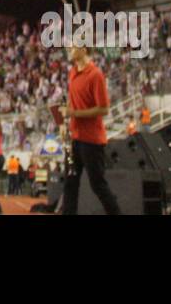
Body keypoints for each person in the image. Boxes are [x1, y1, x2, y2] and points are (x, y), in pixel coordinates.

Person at [60, 45, 120, 215]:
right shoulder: (72, 73)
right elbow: (72, 102)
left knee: (98, 185)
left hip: (91, 140)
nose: (68, 49)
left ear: (84, 49)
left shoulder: (96, 74)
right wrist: (66, 123)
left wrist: (75, 113)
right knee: (70, 184)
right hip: (75, 138)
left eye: (73, 47)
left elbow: (103, 109)